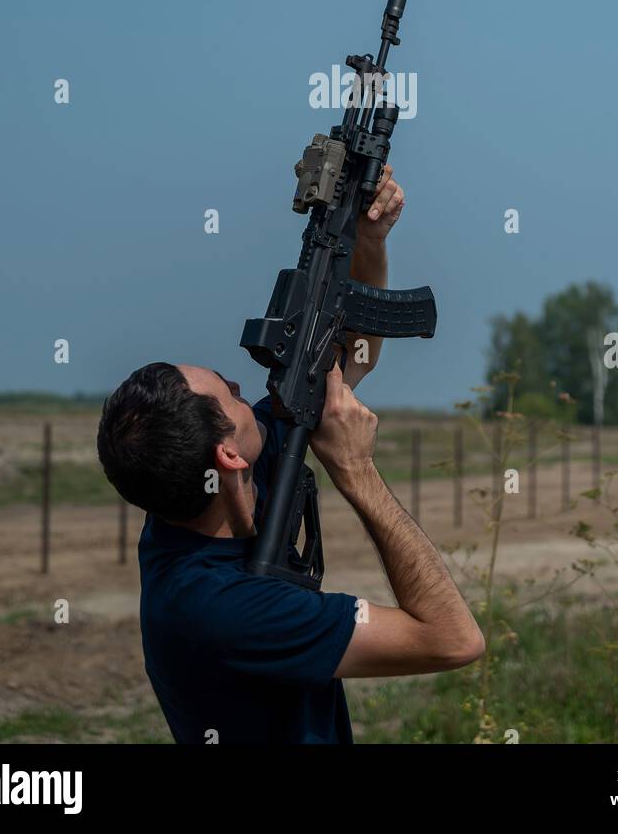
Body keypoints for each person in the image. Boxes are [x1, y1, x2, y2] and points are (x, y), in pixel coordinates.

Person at [97, 165, 484, 744]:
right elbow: (455, 640)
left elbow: (349, 361)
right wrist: (357, 472)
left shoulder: (189, 499)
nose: (239, 387)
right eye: (230, 394)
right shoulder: (226, 610)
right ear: (230, 457)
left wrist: (367, 242)